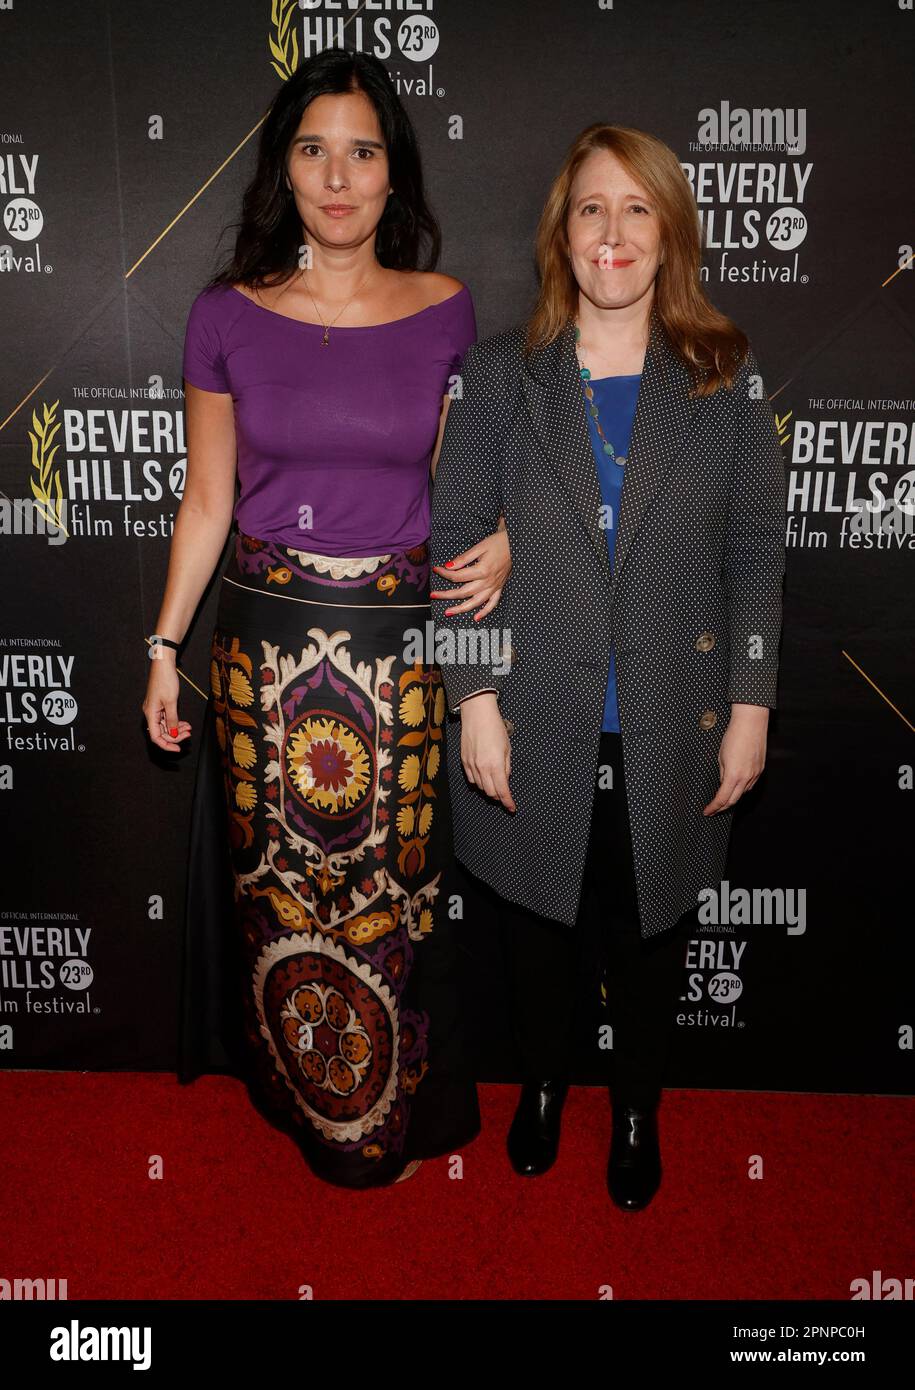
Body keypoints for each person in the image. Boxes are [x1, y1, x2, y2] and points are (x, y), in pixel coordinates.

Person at [142, 49, 512, 1189]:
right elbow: (207, 499)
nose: (338, 176)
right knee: (282, 902)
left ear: (394, 172)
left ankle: (393, 1118)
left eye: (362, 151)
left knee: (394, 899)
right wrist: (164, 647)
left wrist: (496, 574)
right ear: (283, 170)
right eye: (314, 150)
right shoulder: (224, 315)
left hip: (399, 652)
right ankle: (310, 1109)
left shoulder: (448, 312)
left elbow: (460, 507)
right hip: (260, 653)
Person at [429, 123, 787, 1210]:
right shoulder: (500, 373)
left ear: (669, 231)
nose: (614, 231)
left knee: (648, 932)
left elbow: (754, 554)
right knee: (538, 928)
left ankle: (636, 1106)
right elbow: (453, 543)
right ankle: (545, 1084)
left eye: (639, 209)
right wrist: (475, 699)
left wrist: (754, 705)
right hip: (532, 709)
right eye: (593, 207)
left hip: (675, 712)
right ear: (563, 231)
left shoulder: (722, 375)